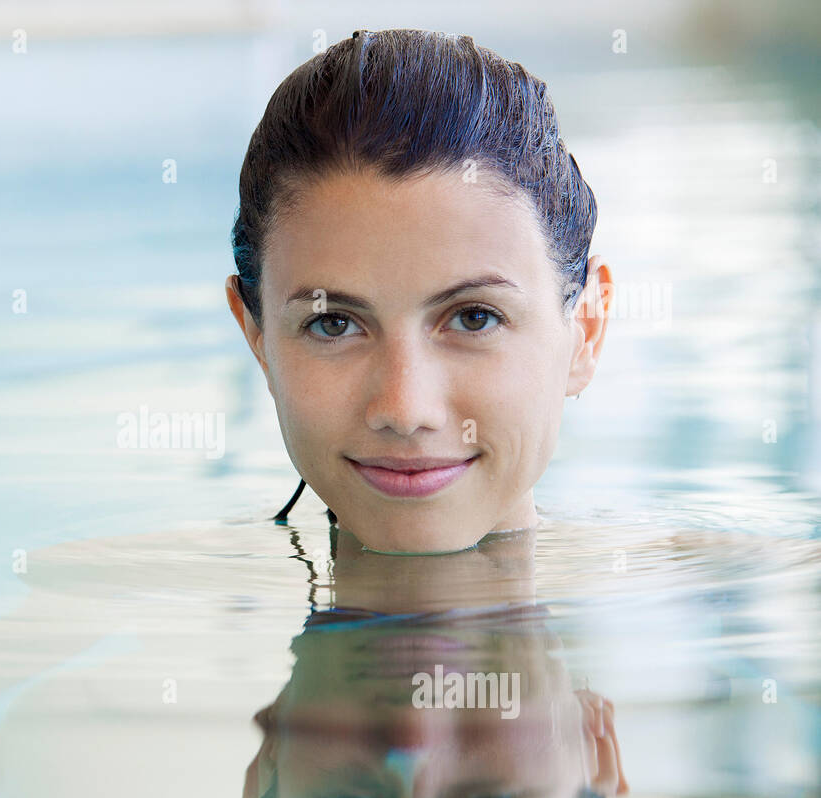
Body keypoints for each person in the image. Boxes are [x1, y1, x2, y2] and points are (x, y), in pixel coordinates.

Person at [226, 28, 610, 555]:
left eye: (474, 317)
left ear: (585, 330)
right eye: (332, 323)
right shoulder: (128, 608)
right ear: (258, 339)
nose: (405, 410)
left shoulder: (716, 591)